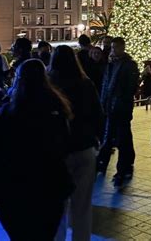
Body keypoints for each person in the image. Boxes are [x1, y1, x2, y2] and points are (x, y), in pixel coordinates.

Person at [0, 59, 72, 241]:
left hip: (17, 190)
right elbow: (64, 144)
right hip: (50, 187)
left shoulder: (9, 111)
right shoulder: (56, 108)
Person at [50, 46, 104, 241]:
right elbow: (99, 115)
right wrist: (98, 139)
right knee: (82, 206)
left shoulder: (50, 85)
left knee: (57, 205)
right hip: (84, 148)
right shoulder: (85, 84)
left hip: (57, 153)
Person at [97, 36, 139, 187]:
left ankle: (121, 169)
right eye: (111, 47)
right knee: (113, 137)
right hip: (110, 106)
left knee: (121, 138)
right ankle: (105, 164)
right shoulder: (110, 64)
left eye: (115, 47)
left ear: (122, 48)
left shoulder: (129, 65)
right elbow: (106, 84)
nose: (112, 50)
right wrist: (104, 103)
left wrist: (122, 101)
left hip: (121, 108)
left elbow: (131, 88)